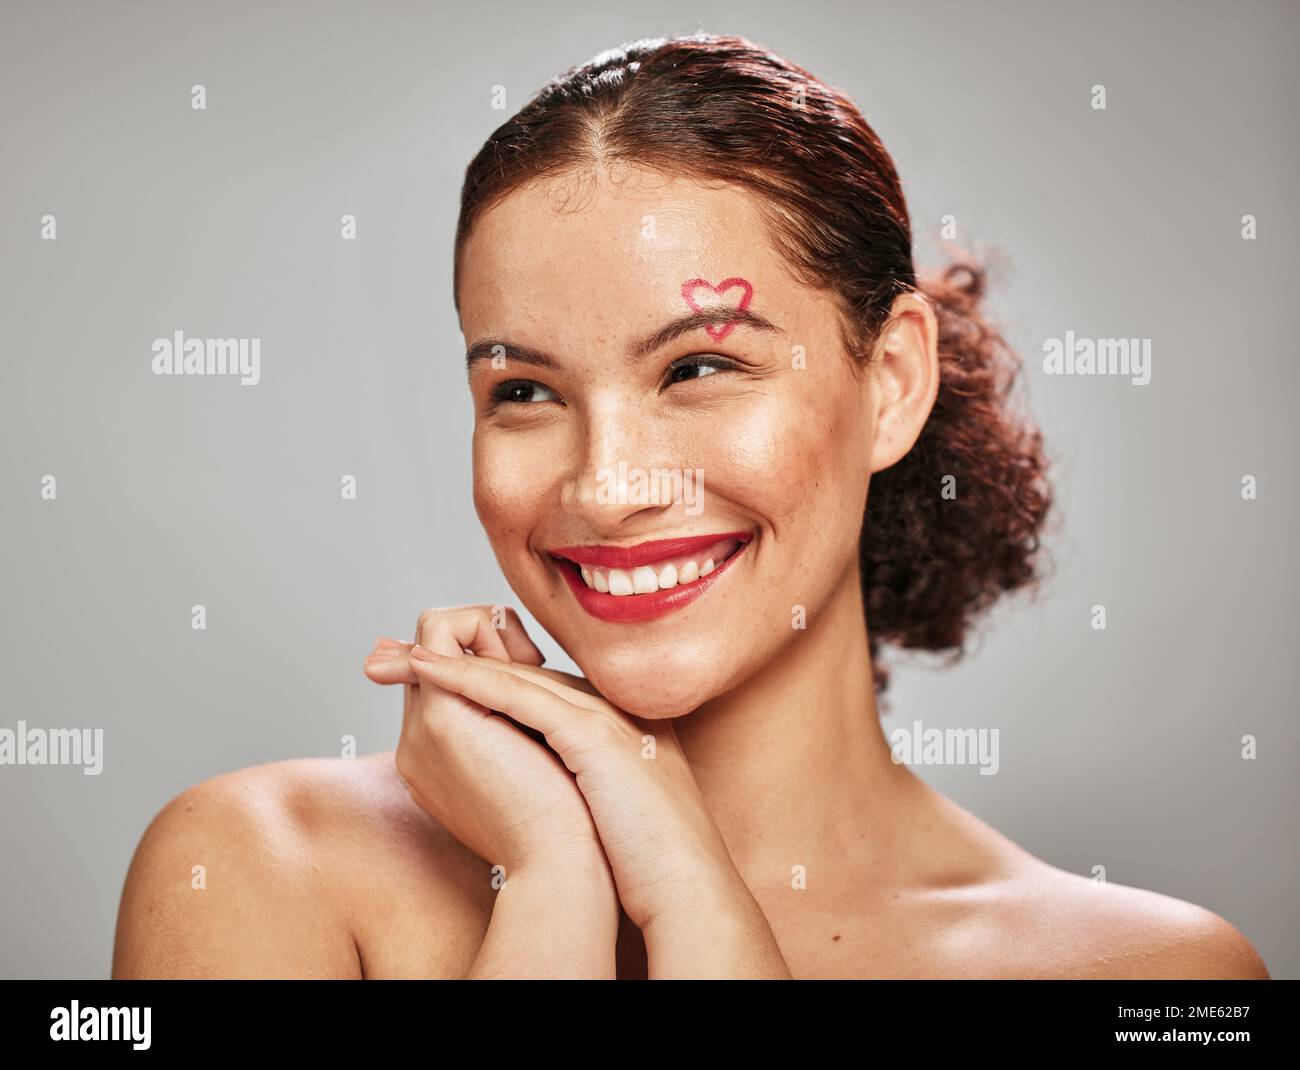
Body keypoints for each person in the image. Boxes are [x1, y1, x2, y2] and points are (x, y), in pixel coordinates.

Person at [112, 32, 1269, 980]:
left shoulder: (1151, 974)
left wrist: (695, 907)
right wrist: (555, 882)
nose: (609, 487)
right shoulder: (260, 868)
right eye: (524, 390)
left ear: (893, 382)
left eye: (697, 369)